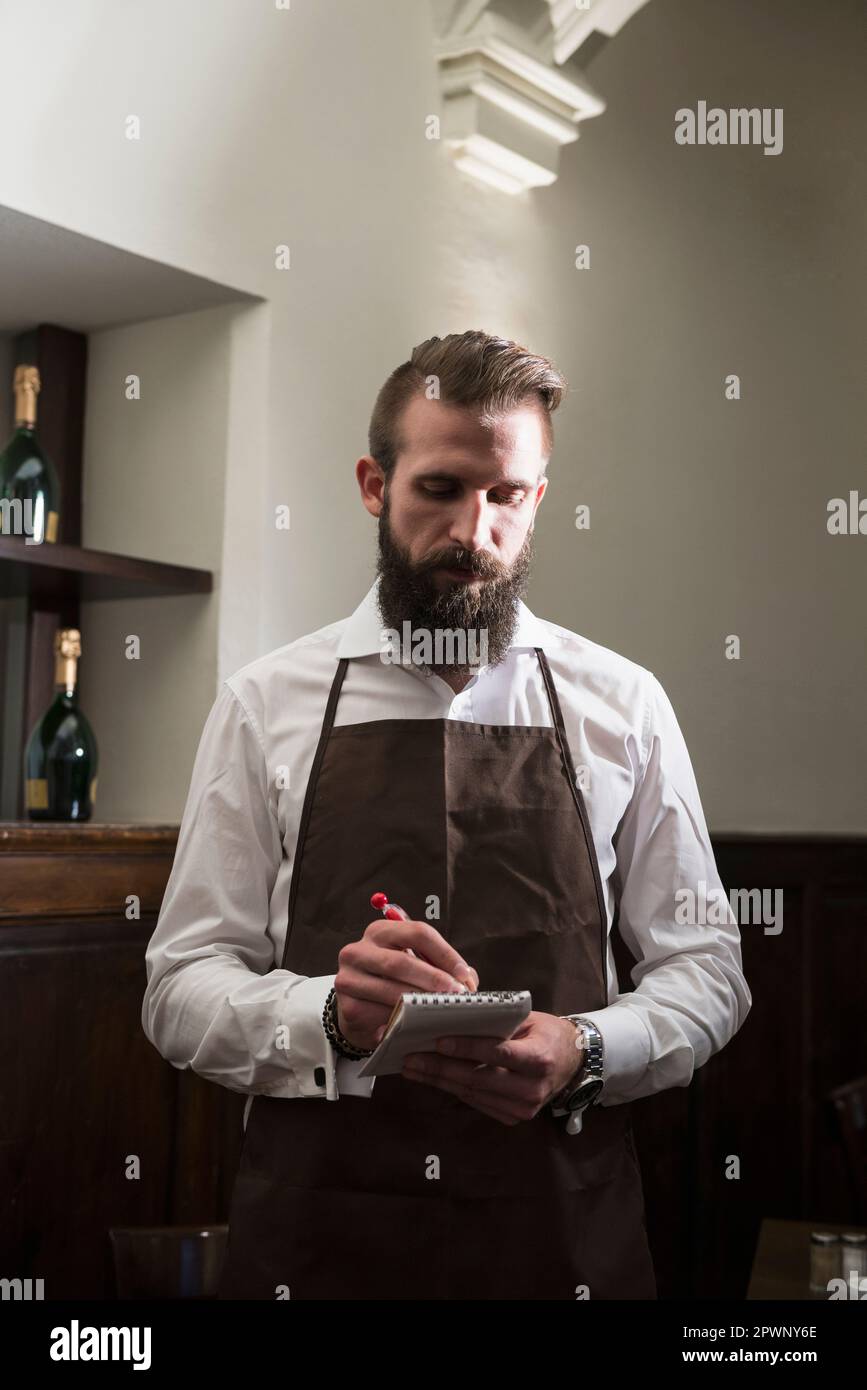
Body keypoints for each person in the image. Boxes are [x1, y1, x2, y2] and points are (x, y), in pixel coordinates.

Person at [142, 330, 751, 1300]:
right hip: (321, 1240)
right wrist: (328, 1018)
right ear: (374, 485)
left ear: (537, 498)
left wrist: (586, 1050)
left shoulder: (623, 703)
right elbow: (179, 987)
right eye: (440, 487)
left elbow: (709, 971)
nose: (476, 529)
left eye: (506, 494)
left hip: (558, 1237)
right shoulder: (264, 704)